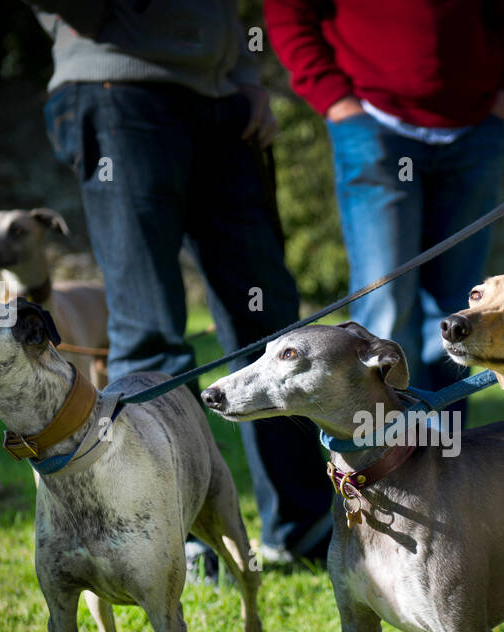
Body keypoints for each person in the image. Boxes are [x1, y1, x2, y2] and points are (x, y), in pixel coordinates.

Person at [31, 0, 332, 567]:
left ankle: (303, 525)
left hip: (222, 102)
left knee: (271, 323)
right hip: (116, 88)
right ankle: (176, 538)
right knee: (149, 332)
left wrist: (247, 78)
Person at [264, 0, 504, 398]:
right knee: (385, 304)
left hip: (474, 128)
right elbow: (288, 12)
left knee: (460, 306)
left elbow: (499, 15)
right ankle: (388, 451)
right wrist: (335, 100)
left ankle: (450, 451)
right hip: (371, 123)